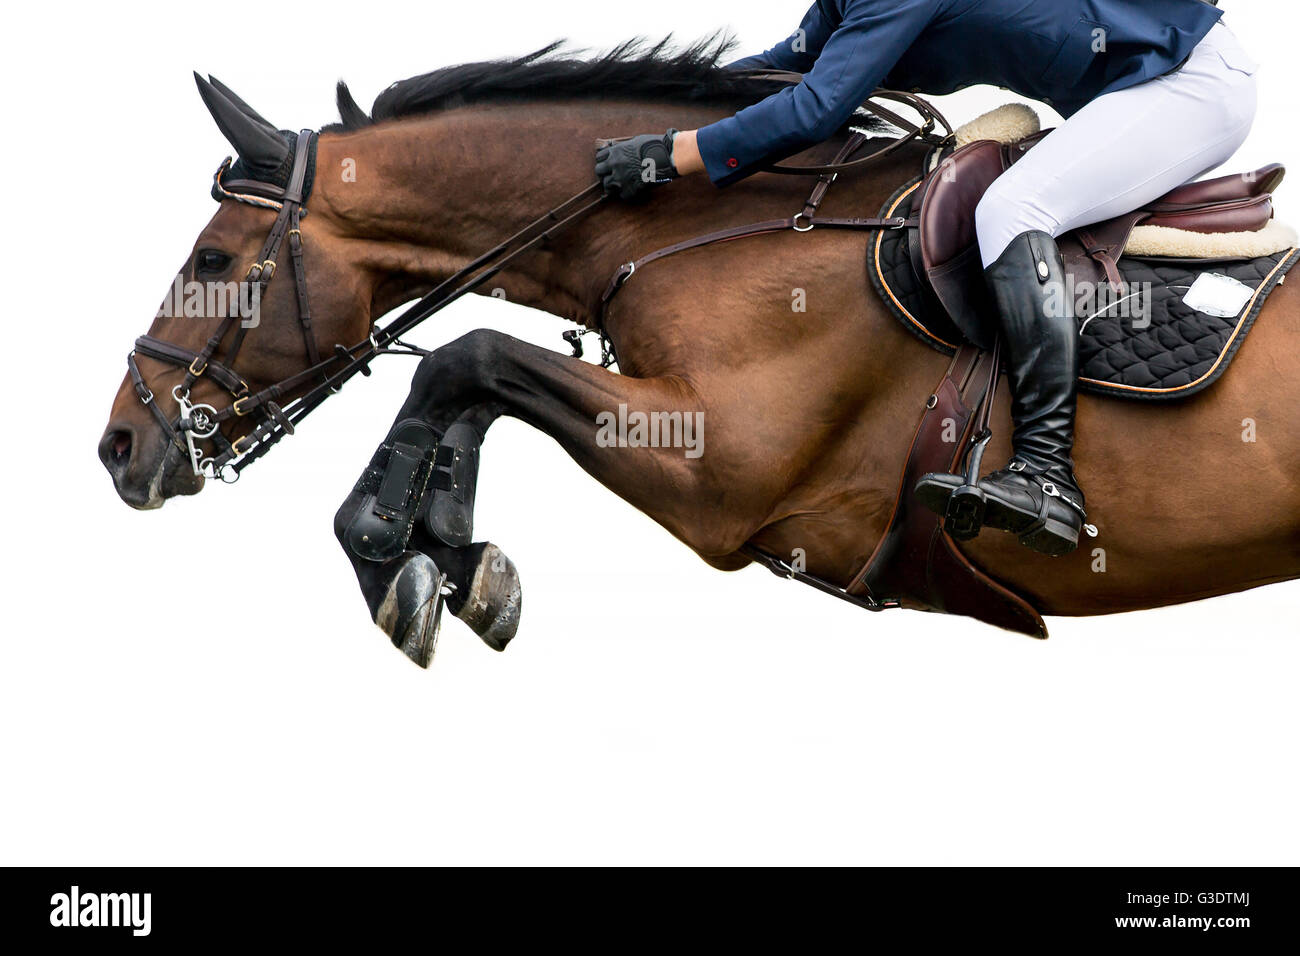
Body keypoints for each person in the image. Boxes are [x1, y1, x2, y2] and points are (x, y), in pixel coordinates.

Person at [595, 1, 1257, 556]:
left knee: (1012, 207)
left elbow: (818, 108)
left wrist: (672, 154)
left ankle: (1047, 479)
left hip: (1190, 84)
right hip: (1148, 84)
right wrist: (656, 115)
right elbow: (788, 67)